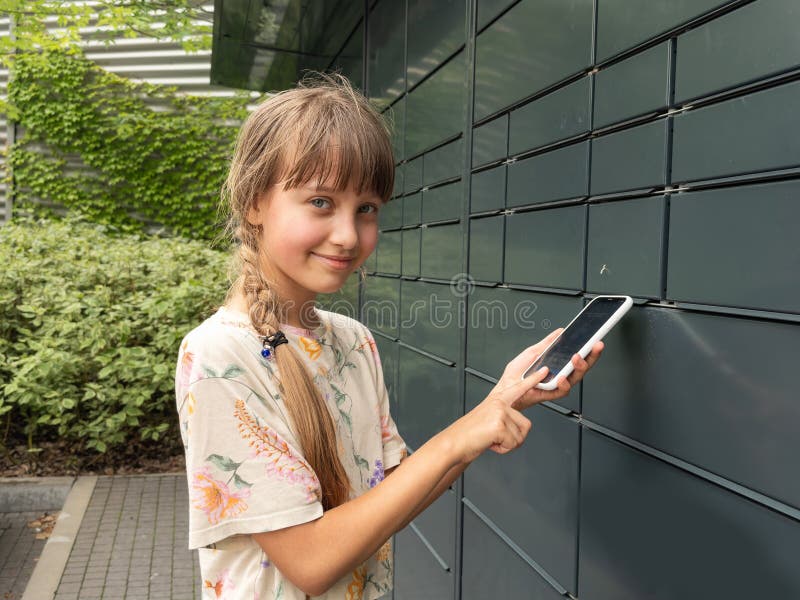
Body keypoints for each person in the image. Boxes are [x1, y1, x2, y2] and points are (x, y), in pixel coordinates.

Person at [174, 73, 603, 600]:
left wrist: (500, 401)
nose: (349, 236)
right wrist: (461, 433)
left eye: (367, 208)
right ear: (254, 202)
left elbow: (392, 497)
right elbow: (309, 562)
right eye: (321, 202)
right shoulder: (219, 356)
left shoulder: (352, 341)